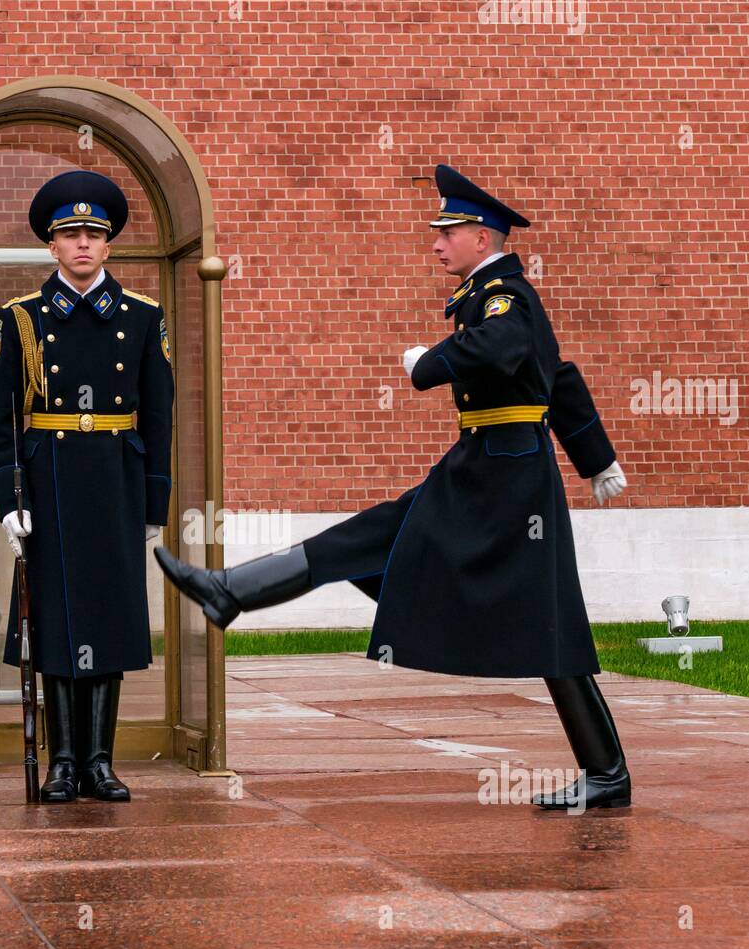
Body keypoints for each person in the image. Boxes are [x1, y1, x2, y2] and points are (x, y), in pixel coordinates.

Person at [155, 165, 631, 811]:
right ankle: (229, 590)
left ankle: (606, 774)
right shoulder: (492, 291)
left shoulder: (504, 294)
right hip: (486, 469)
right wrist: (595, 460)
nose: (436, 244)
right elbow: (559, 373)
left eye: (446, 233)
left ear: (481, 237)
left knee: (547, 625)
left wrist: (429, 364)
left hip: (506, 485)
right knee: (377, 537)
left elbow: (508, 348)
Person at [0, 170, 174, 802]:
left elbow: (160, 415)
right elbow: (3, 423)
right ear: (51, 246)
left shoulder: (144, 318)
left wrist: (154, 501)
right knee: (59, 618)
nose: (84, 245)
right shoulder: (22, 321)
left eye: (95, 234)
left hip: (115, 480)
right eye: (71, 235)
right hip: (52, 481)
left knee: (111, 616)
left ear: (110, 244)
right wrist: (11, 500)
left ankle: (100, 761)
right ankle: (62, 761)